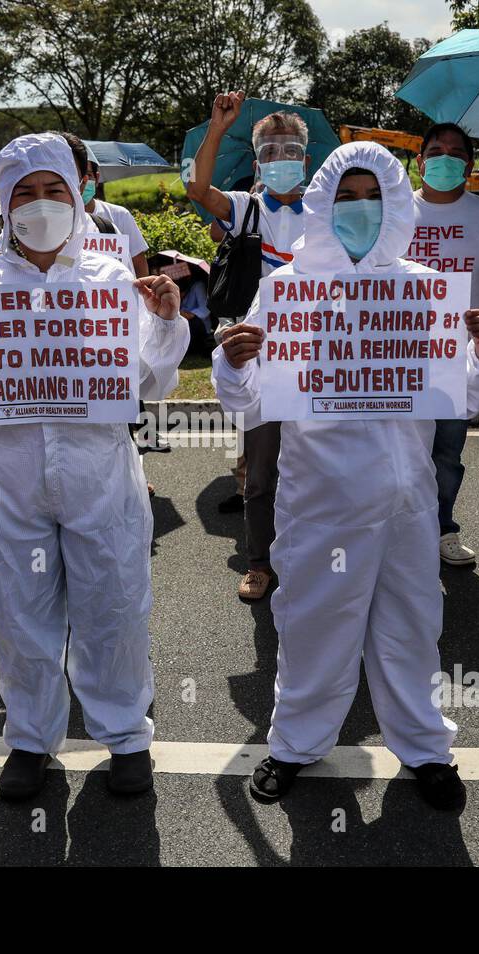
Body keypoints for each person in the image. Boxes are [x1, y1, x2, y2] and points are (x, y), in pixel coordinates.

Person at [213, 141, 479, 811]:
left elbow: (458, 399)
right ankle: (293, 744)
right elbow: (253, 401)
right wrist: (232, 365)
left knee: (411, 626)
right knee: (314, 626)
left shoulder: (420, 287)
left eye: (372, 194)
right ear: (321, 204)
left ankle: (426, 749)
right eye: (344, 196)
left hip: (406, 505)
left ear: (395, 201)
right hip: (319, 501)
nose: (358, 208)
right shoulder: (287, 289)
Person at [0, 133, 189, 800]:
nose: (41, 203)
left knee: (113, 603)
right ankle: (29, 738)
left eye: (54, 189)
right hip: (8, 470)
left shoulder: (111, 279)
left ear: (78, 195)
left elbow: (148, 381)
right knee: (17, 610)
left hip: (101, 467)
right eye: (24, 193)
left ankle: (125, 735)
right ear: (2, 204)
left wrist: (166, 324)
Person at [186, 90, 310, 601]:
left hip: (314, 359)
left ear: (306, 157)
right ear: (258, 160)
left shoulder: (327, 209)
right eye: (271, 151)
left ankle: (307, 558)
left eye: (291, 150)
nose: (282, 159)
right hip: (260, 361)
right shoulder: (247, 208)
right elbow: (197, 187)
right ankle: (259, 561)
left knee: (313, 472)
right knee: (261, 475)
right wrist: (219, 128)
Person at [402, 123, 479, 568]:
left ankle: (442, 530)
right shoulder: (394, 212)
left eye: (454, 153)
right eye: (435, 150)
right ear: (420, 161)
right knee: (399, 456)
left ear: (468, 165)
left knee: (447, 456)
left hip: (458, 362)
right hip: (396, 357)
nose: (444, 158)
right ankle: (402, 535)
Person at [80, 151, 150, 277]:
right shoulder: (57, 221)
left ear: (97, 179)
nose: (83, 182)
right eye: (78, 176)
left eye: (88, 175)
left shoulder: (120, 216)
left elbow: (139, 264)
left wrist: (142, 295)